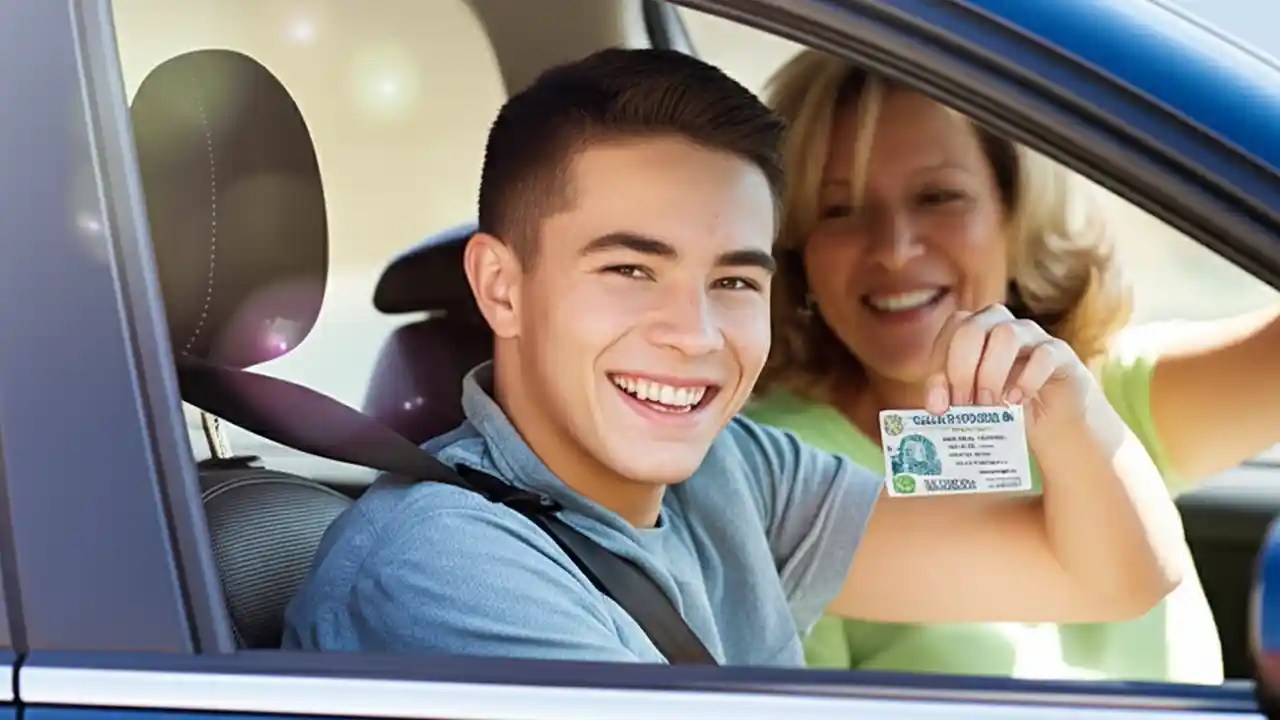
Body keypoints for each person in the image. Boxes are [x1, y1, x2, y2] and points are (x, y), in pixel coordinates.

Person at [282, 47, 1189, 665]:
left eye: (734, 281)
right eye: (632, 268)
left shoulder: (730, 476)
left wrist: (1072, 414)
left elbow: (1109, 579)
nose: (696, 334)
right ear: (503, 287)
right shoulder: (442, 571)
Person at [746, 48, 1280, 682]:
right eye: (840, 209)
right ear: (798, 245)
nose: (894, 249)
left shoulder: (1106, 393)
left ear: (1013, 214)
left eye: (938, 196)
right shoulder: (773, 471)